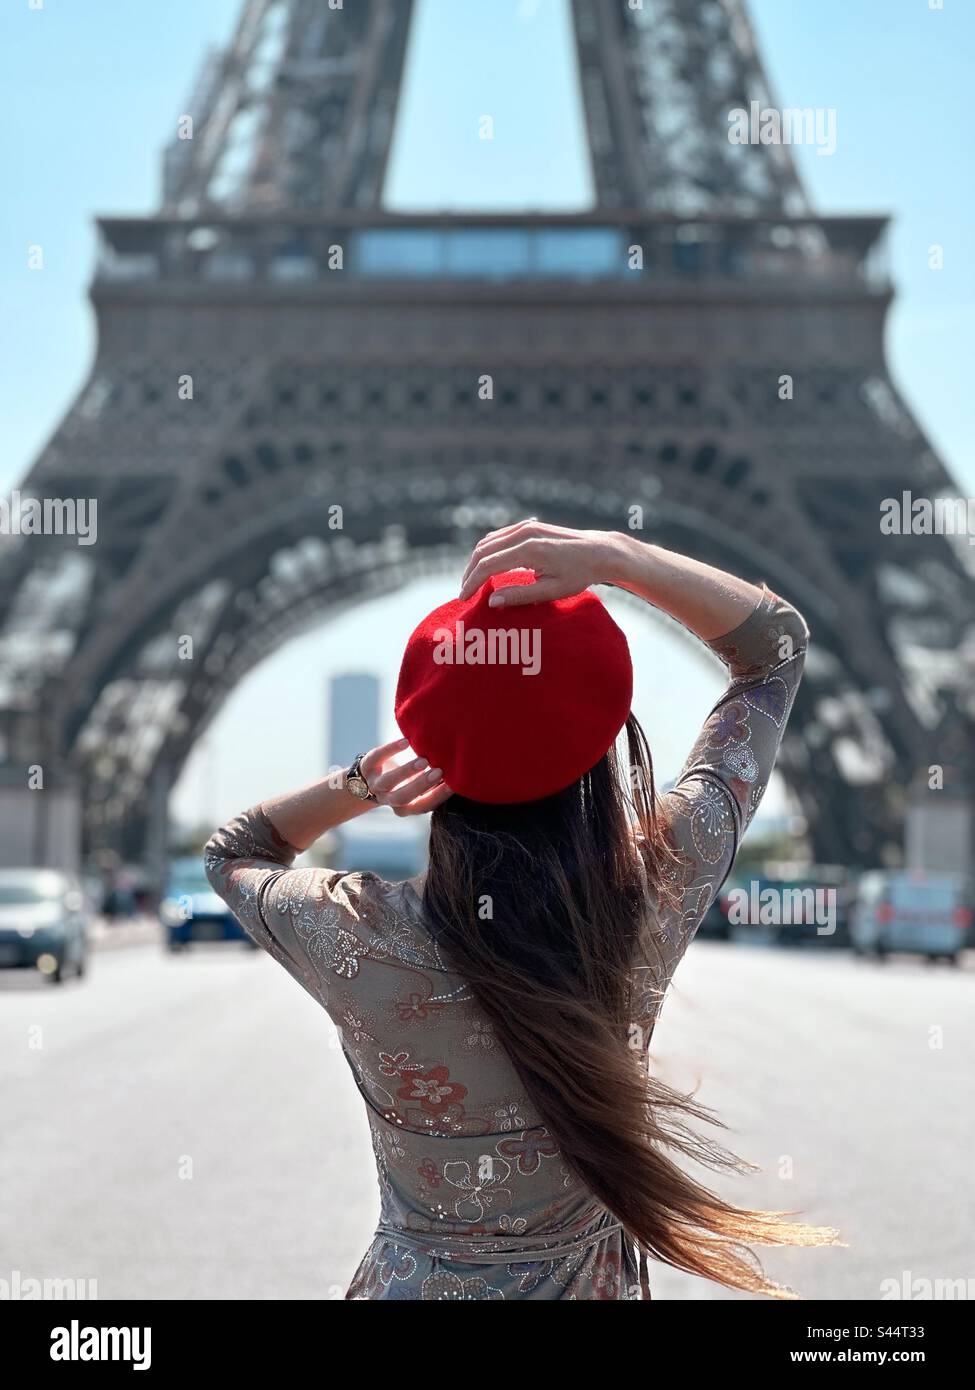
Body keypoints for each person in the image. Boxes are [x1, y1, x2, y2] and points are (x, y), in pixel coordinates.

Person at [205, 520, 837, 1300]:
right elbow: (774, 651)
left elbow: (234, 852)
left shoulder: (353, 934)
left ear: (432, 743)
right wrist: (619, 557)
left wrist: (358, 783)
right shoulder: (653, 890)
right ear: (607, 736)